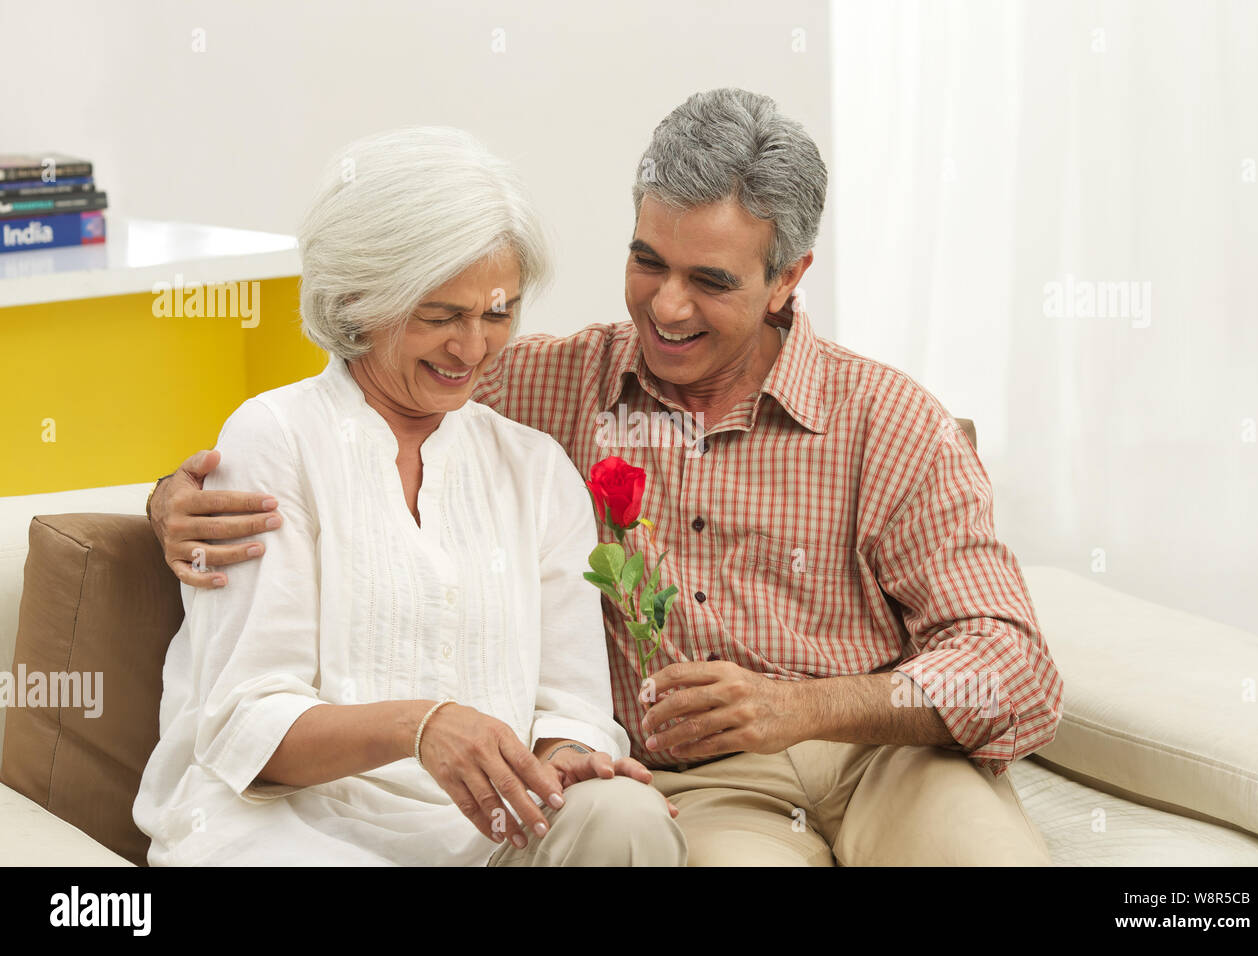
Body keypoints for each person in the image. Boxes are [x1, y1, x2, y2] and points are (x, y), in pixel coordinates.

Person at [148, 89, 1063, 866]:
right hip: (709, 792)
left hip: (885, 757)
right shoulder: (541, 387)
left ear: (788, 280)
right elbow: (357, 397)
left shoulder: (890, 422)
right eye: (647, 261)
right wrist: (169, 498)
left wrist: (803, 706)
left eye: (711, 280)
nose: (666, 307)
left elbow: (1016, 671)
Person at [132, 126, 686, 867]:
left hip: (483, 837)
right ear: (361, 299)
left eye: (497, 314)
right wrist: (420, 726)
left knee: (625, 814)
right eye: (439, 316)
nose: (472, 348)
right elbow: (245, 732)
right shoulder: (277, 438)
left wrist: (567, 758)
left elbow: (571, 705)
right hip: (294, 830)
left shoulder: (535, 468)